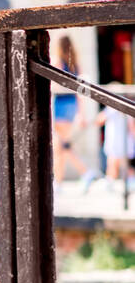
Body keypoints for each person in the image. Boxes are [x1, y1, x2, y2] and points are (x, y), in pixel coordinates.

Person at [51, 35, 94, 187]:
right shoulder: (75, 64)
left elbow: (54, 85)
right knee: (60, 146)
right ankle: (59, 182)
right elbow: (80, 91)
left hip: (61, 106)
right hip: (71, 106)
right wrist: (81, 113)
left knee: (62, 145)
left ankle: (85, 172)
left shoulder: (58, 62)